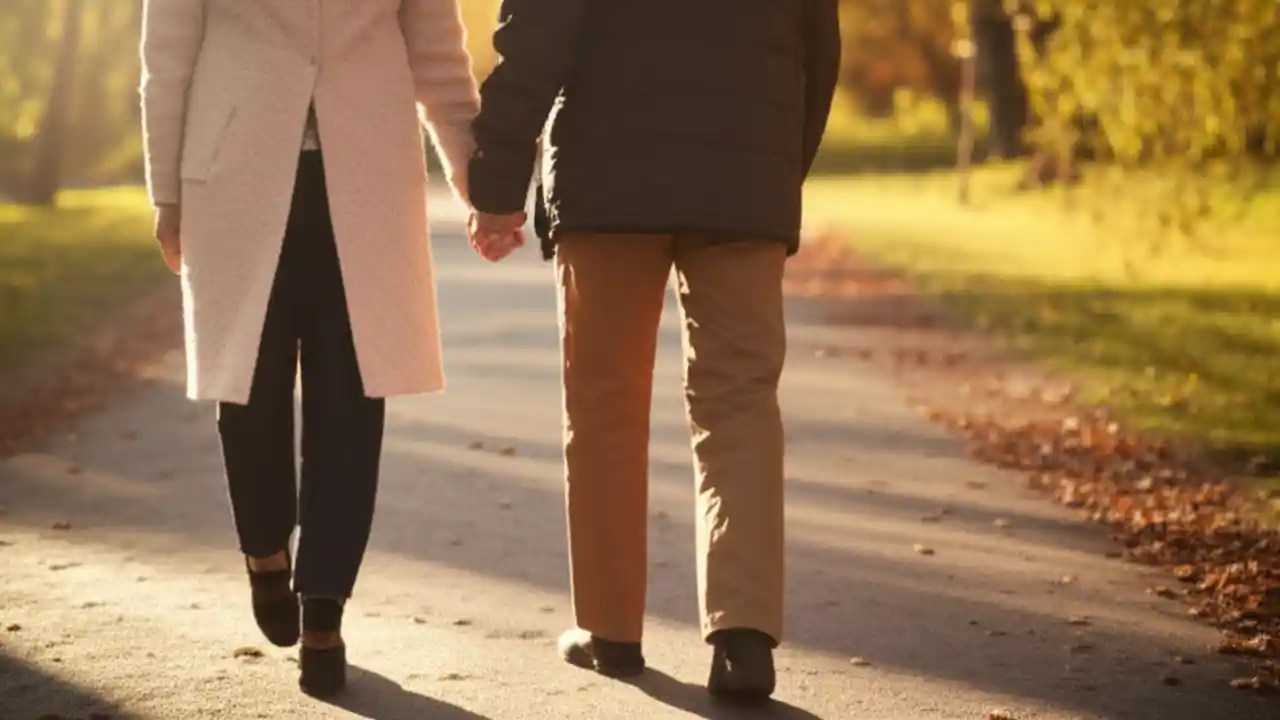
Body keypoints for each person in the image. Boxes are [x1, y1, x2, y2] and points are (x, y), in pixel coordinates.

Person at [467, 0, 841, 701]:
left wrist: (494, 183)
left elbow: (537, 36)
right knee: (740, 403)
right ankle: (742, 636)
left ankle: (610, 632)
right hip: (744, 177)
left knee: (604, 402)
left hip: (607, 178)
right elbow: (819, 50)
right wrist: (777, 170)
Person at [139, 0, 496, 696]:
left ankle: (325, 612)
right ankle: (264, 549)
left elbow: (438, 58)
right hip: (233, 176)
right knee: (248, 386)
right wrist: (166, 194)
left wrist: (478, 183)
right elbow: (167, 57)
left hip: (367, 180)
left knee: (351, 397)